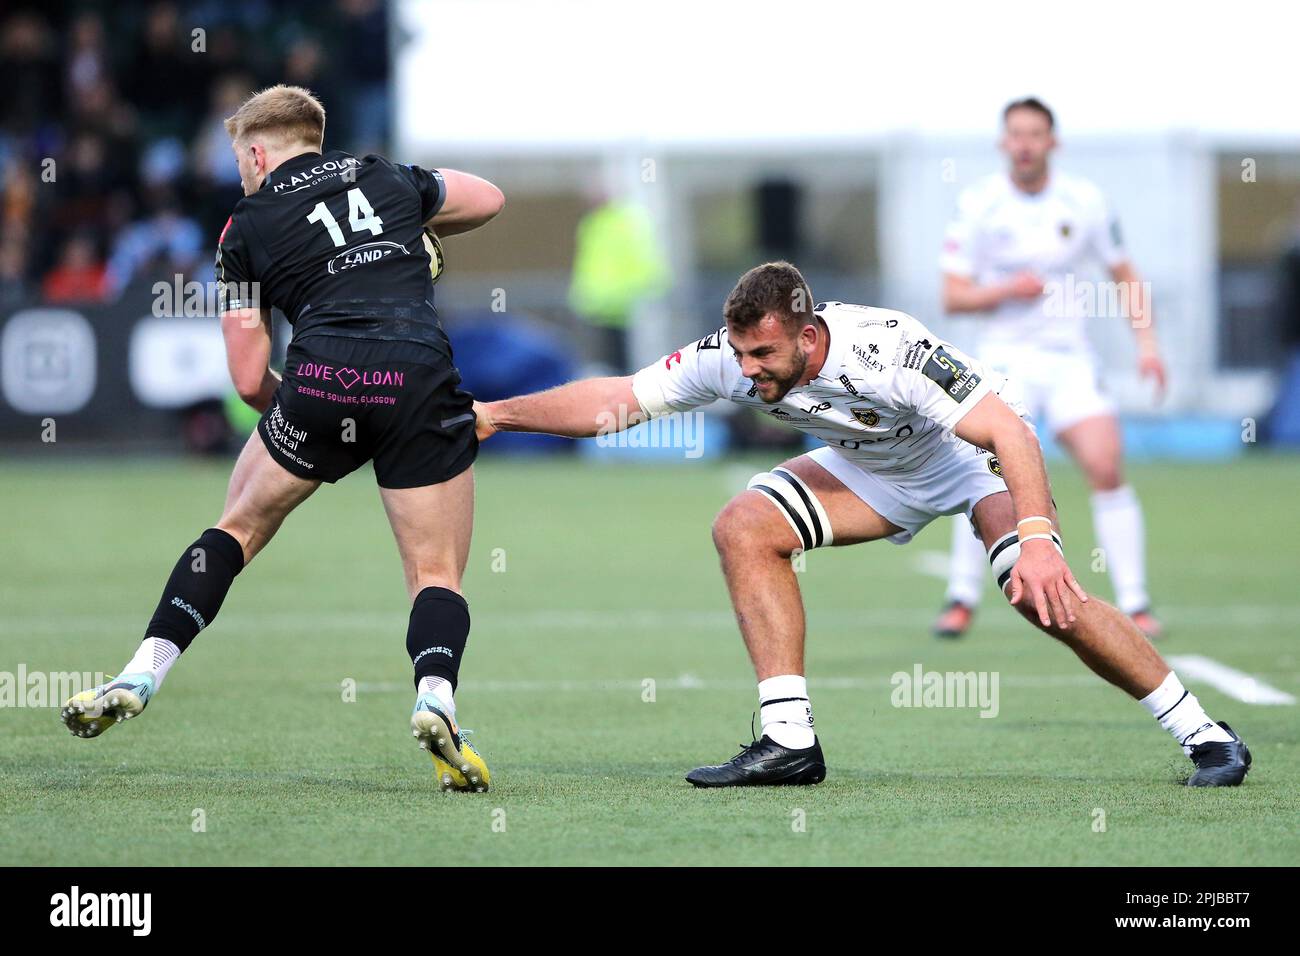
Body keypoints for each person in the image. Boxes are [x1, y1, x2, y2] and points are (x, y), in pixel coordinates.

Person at [474, 261, 1250, 789]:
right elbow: (619, 400)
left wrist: (1042, 540)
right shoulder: (731, 355)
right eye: (741, 353)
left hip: (966, 458)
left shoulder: (893, 350)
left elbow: (1011, 433)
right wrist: (497, 415)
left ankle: (1204, 734)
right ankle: (790, 743)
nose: (747, 371)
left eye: (764, 353)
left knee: (1037, 592)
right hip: (872, 465)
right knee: (744, 525)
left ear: (809, 336)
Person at [62, 85, 505, 793]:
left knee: (236, 527)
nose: (240, 174)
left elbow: (245, 380)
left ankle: (142, 670)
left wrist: (309, 415)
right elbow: (488, 198)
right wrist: (418, 223)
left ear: (259, 153)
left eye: (240, 161)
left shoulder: (245, 225)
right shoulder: (384, 174)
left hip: (323, 376)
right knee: (434, 574)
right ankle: (436, 699)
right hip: (421, 375)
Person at [934, 97, 1166, 640]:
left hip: (1069, 360)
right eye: (1015, 134)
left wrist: (1148, 346)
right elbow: (953, 296)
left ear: (1051, 142)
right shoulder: (979, 204)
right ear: (1003, 143)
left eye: (1035, 134)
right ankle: (960, 597)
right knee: (981, 475)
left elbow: (1125, 275)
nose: (1024, 144)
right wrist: (1005, 290)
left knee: (1105, 466)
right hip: (1002, 360)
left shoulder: (1084, 200)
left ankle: (1134, 601)